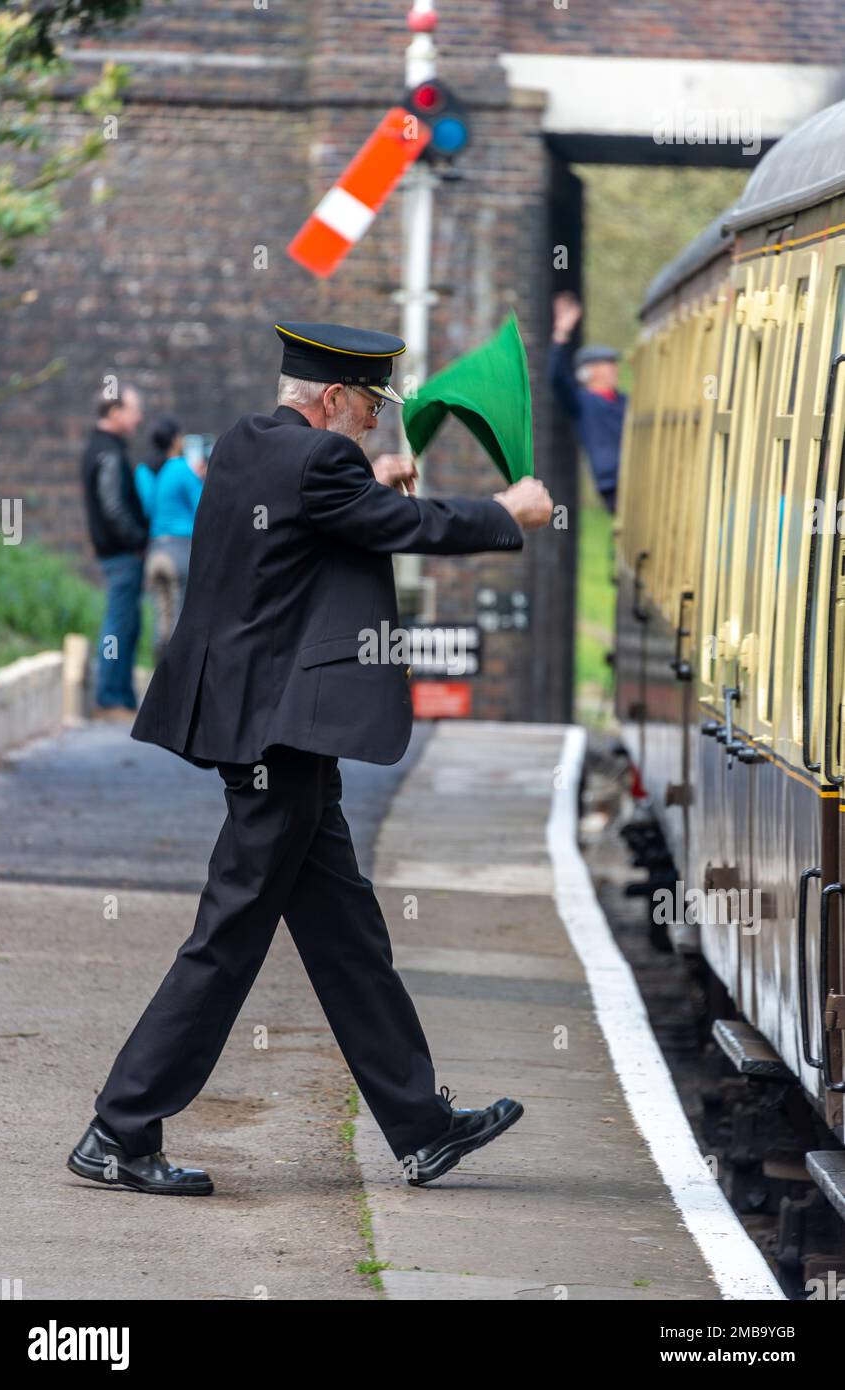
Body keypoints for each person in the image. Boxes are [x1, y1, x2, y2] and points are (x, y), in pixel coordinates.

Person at [67, 320, 553, 1197]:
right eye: (368, 407)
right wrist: (505, 515)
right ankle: (119, 1130)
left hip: (257, 725)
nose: (373, 423)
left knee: (346, 934)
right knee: (228, 937)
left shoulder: (249, 447)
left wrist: (369, 481)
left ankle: (419, 1125)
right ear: (332, 399)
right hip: (277, 736)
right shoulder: (320, 466)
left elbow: (309, 521)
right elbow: (403, 526)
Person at [81, 384, 148, 719]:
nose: (139, 418)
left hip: (118, 553)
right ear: (114, 411)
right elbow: (113, 507)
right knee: (119, 625)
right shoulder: (108, 452)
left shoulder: (102, 447)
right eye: (134, 410)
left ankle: (119, 698)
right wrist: (137, 540)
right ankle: (110, 699)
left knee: (126, 624)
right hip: (122, 554)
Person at [549, 292, 626, 513]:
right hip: (612, 482)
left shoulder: (624, 401)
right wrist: (562, 332)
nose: (614, 369)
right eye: (607, 363)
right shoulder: (581, 403)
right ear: (588, 371)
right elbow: (556, 378)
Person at [135, 418, 205, 665]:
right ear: (176, 440)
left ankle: (159, 675)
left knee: (161, 617)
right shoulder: (180, 468)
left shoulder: (155, 472)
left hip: (156, 553)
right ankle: (177, 679)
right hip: (179, 551)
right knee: (179, 617)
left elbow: (148, 508)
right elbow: (202, 507)